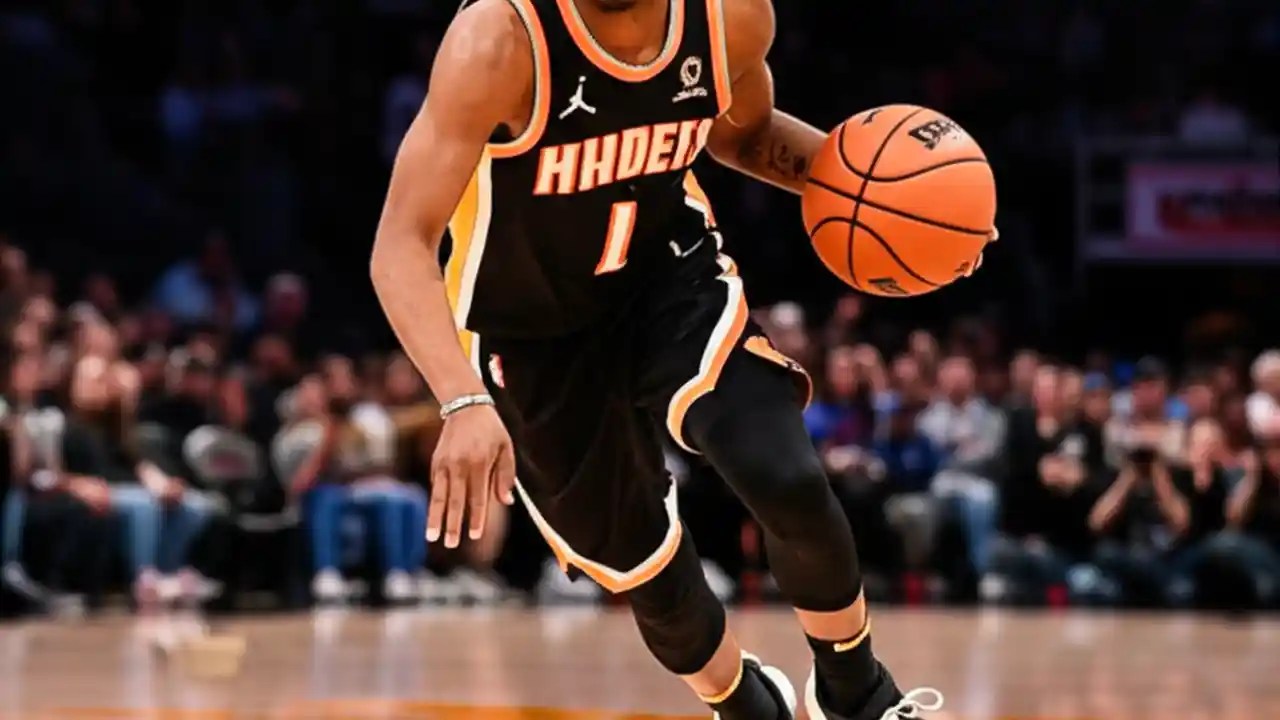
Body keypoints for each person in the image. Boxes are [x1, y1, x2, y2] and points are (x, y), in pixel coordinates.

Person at [371, 1, 994, 717]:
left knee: (783, 472)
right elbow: (401, 243)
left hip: (667, 276)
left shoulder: (730, 14)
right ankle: (744, 701)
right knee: (653, 580)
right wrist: (461, 400)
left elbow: (746, 135)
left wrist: (896, 204)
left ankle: (858, 693)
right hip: (525, 328)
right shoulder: (500, 40)